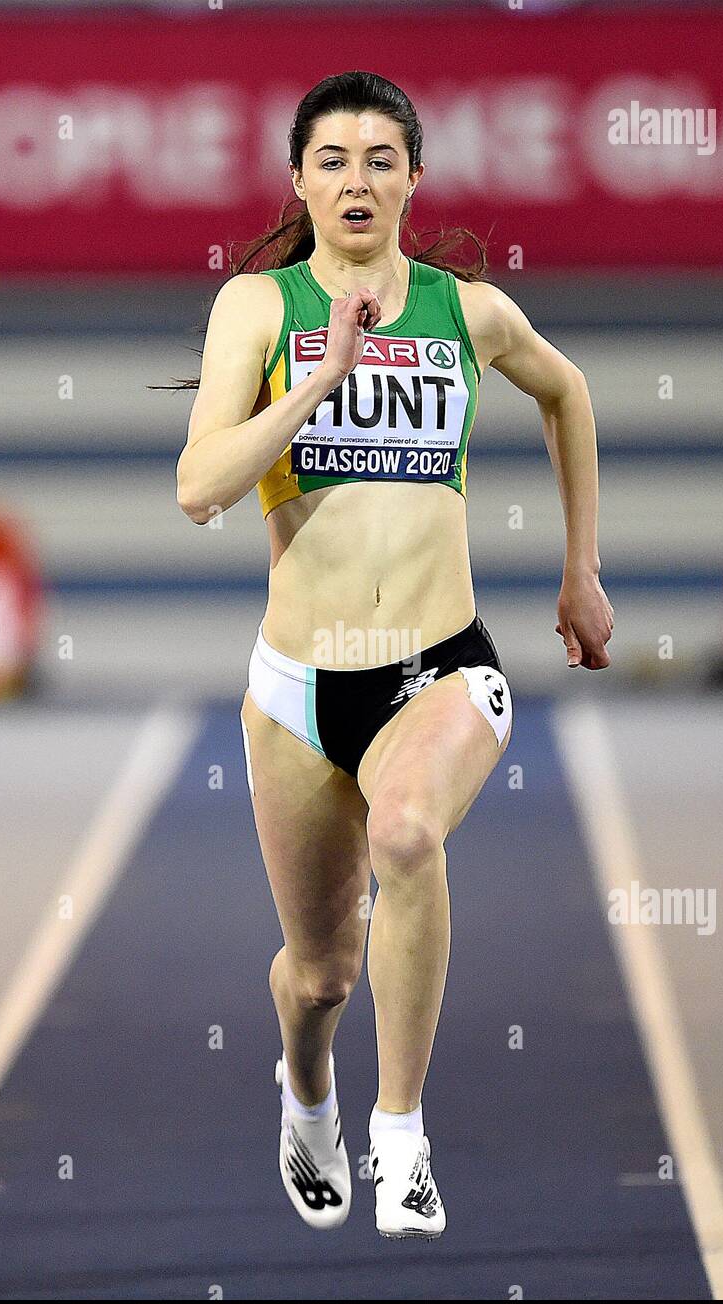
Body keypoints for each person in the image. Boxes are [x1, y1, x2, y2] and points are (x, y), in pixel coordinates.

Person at [175, 71, 613, 1240]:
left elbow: (565, 393)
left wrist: (580, 570)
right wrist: (318, 380)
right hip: (296, 690)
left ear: (414, 177)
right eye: (333, 159)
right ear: (298, 181)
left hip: (439, 667)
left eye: (380, 158)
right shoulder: (256, 310)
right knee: (318, 974)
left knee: (407, 833)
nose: (357, 179)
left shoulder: (464, 312)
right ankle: (305, 1089)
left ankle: (401, 1133)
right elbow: (197, 488)